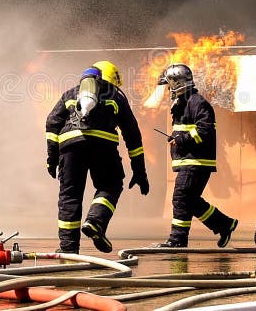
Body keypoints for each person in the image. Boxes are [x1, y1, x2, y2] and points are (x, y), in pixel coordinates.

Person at [45, 60, 148, 254]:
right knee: (111, 185)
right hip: (103, 146)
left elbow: (52, 124)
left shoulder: (69, 93)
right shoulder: (116, 95)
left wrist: (51, 158)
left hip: (70, 147)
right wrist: (139, 170)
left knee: (70, 196)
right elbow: (132, 134)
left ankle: (68, 249)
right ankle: (95, 221)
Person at [154, 63, 238, 248]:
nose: (169, 89)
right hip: (190, 160)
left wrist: (182, 140)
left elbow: (205, 129)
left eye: (170, 85)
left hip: (197, 161)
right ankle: (224, 224)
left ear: (178, 83)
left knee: (181, 197)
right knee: (190, 201)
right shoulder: (183, 103)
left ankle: (177, 240)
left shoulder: (196, 102)